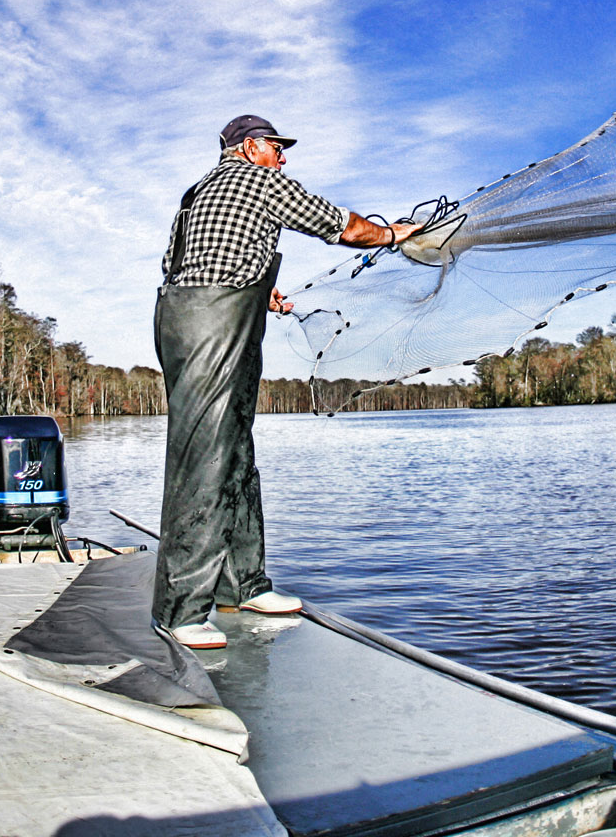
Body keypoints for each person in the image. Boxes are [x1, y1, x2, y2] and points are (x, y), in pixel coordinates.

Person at [152, 114, 418, 649]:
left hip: (186, 318)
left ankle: (242, 584)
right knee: (204, 455)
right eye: (277, 147)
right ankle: (180, 612)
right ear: (250, 148)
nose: (284, 157)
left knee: (234, 453)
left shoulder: (196, 194)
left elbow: (187, 261)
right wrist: (391, 234)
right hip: (210, 327)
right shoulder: (258, 180)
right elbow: (339, 224)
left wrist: (258, 292)